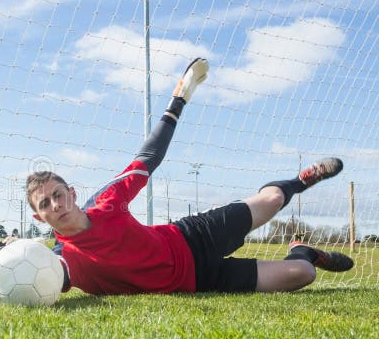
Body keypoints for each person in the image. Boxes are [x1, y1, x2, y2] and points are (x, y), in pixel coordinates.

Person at [24, 58, 353, 295]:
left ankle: (300, 181)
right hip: (200, 280)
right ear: (39, 216)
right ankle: (304, 250)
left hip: (191, 236)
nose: (55, 204)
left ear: (73, 193)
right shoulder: (63, 257)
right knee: (302, 273)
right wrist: (8, 254)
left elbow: (148, 158)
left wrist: (178, 100)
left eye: (58, 194)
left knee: (274, 199)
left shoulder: (106, 201)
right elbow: (47, 274)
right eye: (45, 203)